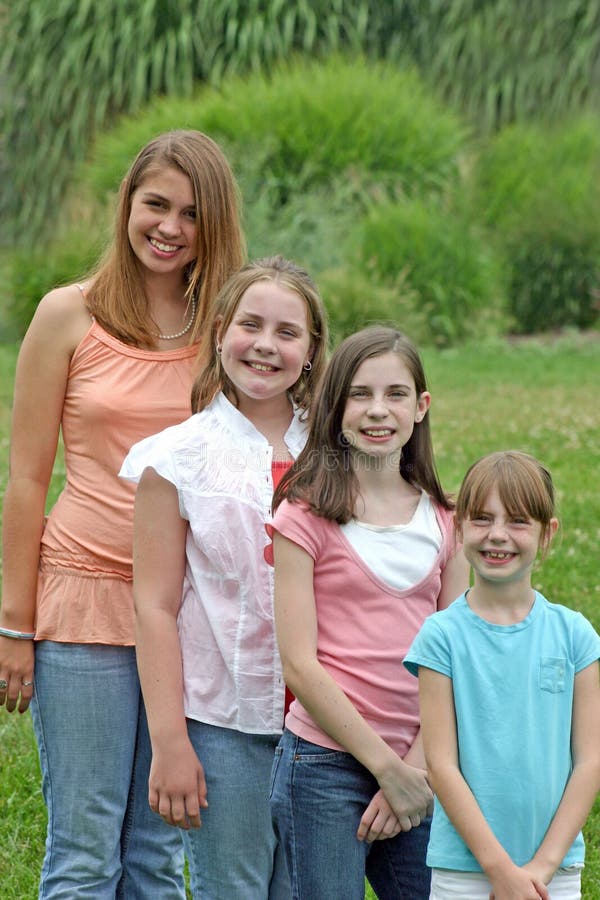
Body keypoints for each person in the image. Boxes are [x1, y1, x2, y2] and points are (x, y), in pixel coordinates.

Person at [0, 129, 244, 898]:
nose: (169, 227)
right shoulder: (67, 316)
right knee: (83, 849)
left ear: (216, 226)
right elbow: (26, 478)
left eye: (191, 214)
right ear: (128, 205)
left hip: (190, 609)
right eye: (156, 205)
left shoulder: (228, 333)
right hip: (84, 599)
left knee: (155, 853)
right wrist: (13, 624)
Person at [120, 255, 328, 899]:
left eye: (287, 333)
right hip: (223, 726)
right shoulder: (178, 458)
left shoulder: (338, 454)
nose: (266, 346)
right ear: (218, 333)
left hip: (326, 730)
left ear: (313, 351)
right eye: (251, 325)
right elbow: (154, 605)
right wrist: (170, 742)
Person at [267, 325, 470, 900]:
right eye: (359, 394)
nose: (377, 410)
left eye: (395, 394)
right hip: (323, 765)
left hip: (421, 760)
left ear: (421, 406)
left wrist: (415, 769)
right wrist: (384, 768)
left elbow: (456, 659)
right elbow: (300, 666)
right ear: (335, 409)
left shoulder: (447, 521)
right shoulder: (304, 518)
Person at [404, 450, 600, 900]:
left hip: (556, 872)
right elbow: (442, 766)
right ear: (458, 528)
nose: (497, 536)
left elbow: (589, 761)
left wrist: (541, 867)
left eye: (517, 521)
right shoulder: (441, 637)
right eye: (481, 519)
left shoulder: (575, 636)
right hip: (464, 872)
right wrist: (501, 872)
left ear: (547, 533)